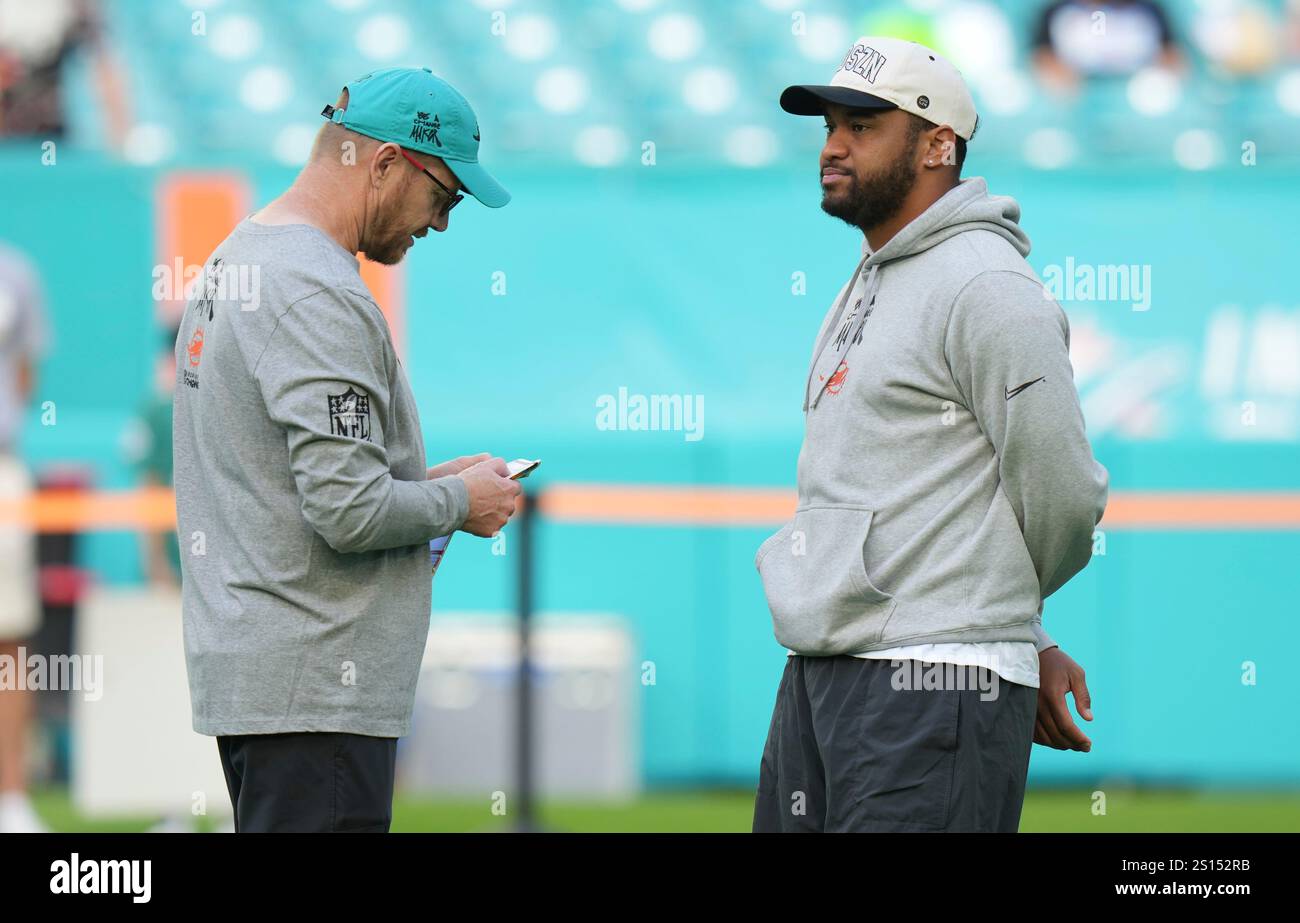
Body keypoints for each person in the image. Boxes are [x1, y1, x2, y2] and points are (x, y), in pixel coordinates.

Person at [753, 37, 1109, 832]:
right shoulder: (871, 273)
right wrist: (1033, 633)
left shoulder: (987, 285)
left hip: (933, 683)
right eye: (829, 126)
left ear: (938, 145)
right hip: (823, 675)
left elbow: (1062, 493)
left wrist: (1000, 626)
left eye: (863, 125)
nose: (834, 145)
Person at [172, 67, 521, 833]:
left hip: (274, 682)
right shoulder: (315, 289)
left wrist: (426, 483)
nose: (441, 223)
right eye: (446, 194)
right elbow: (350, 510)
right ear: (389, 164)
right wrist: (464, 502)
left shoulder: (240, 258)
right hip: (316, 688)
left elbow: (299, 486)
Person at [0, 241, 48, 833]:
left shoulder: (17, 272)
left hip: (2, 467)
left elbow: (26, 376)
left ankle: (10, 796)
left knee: (9, 638)